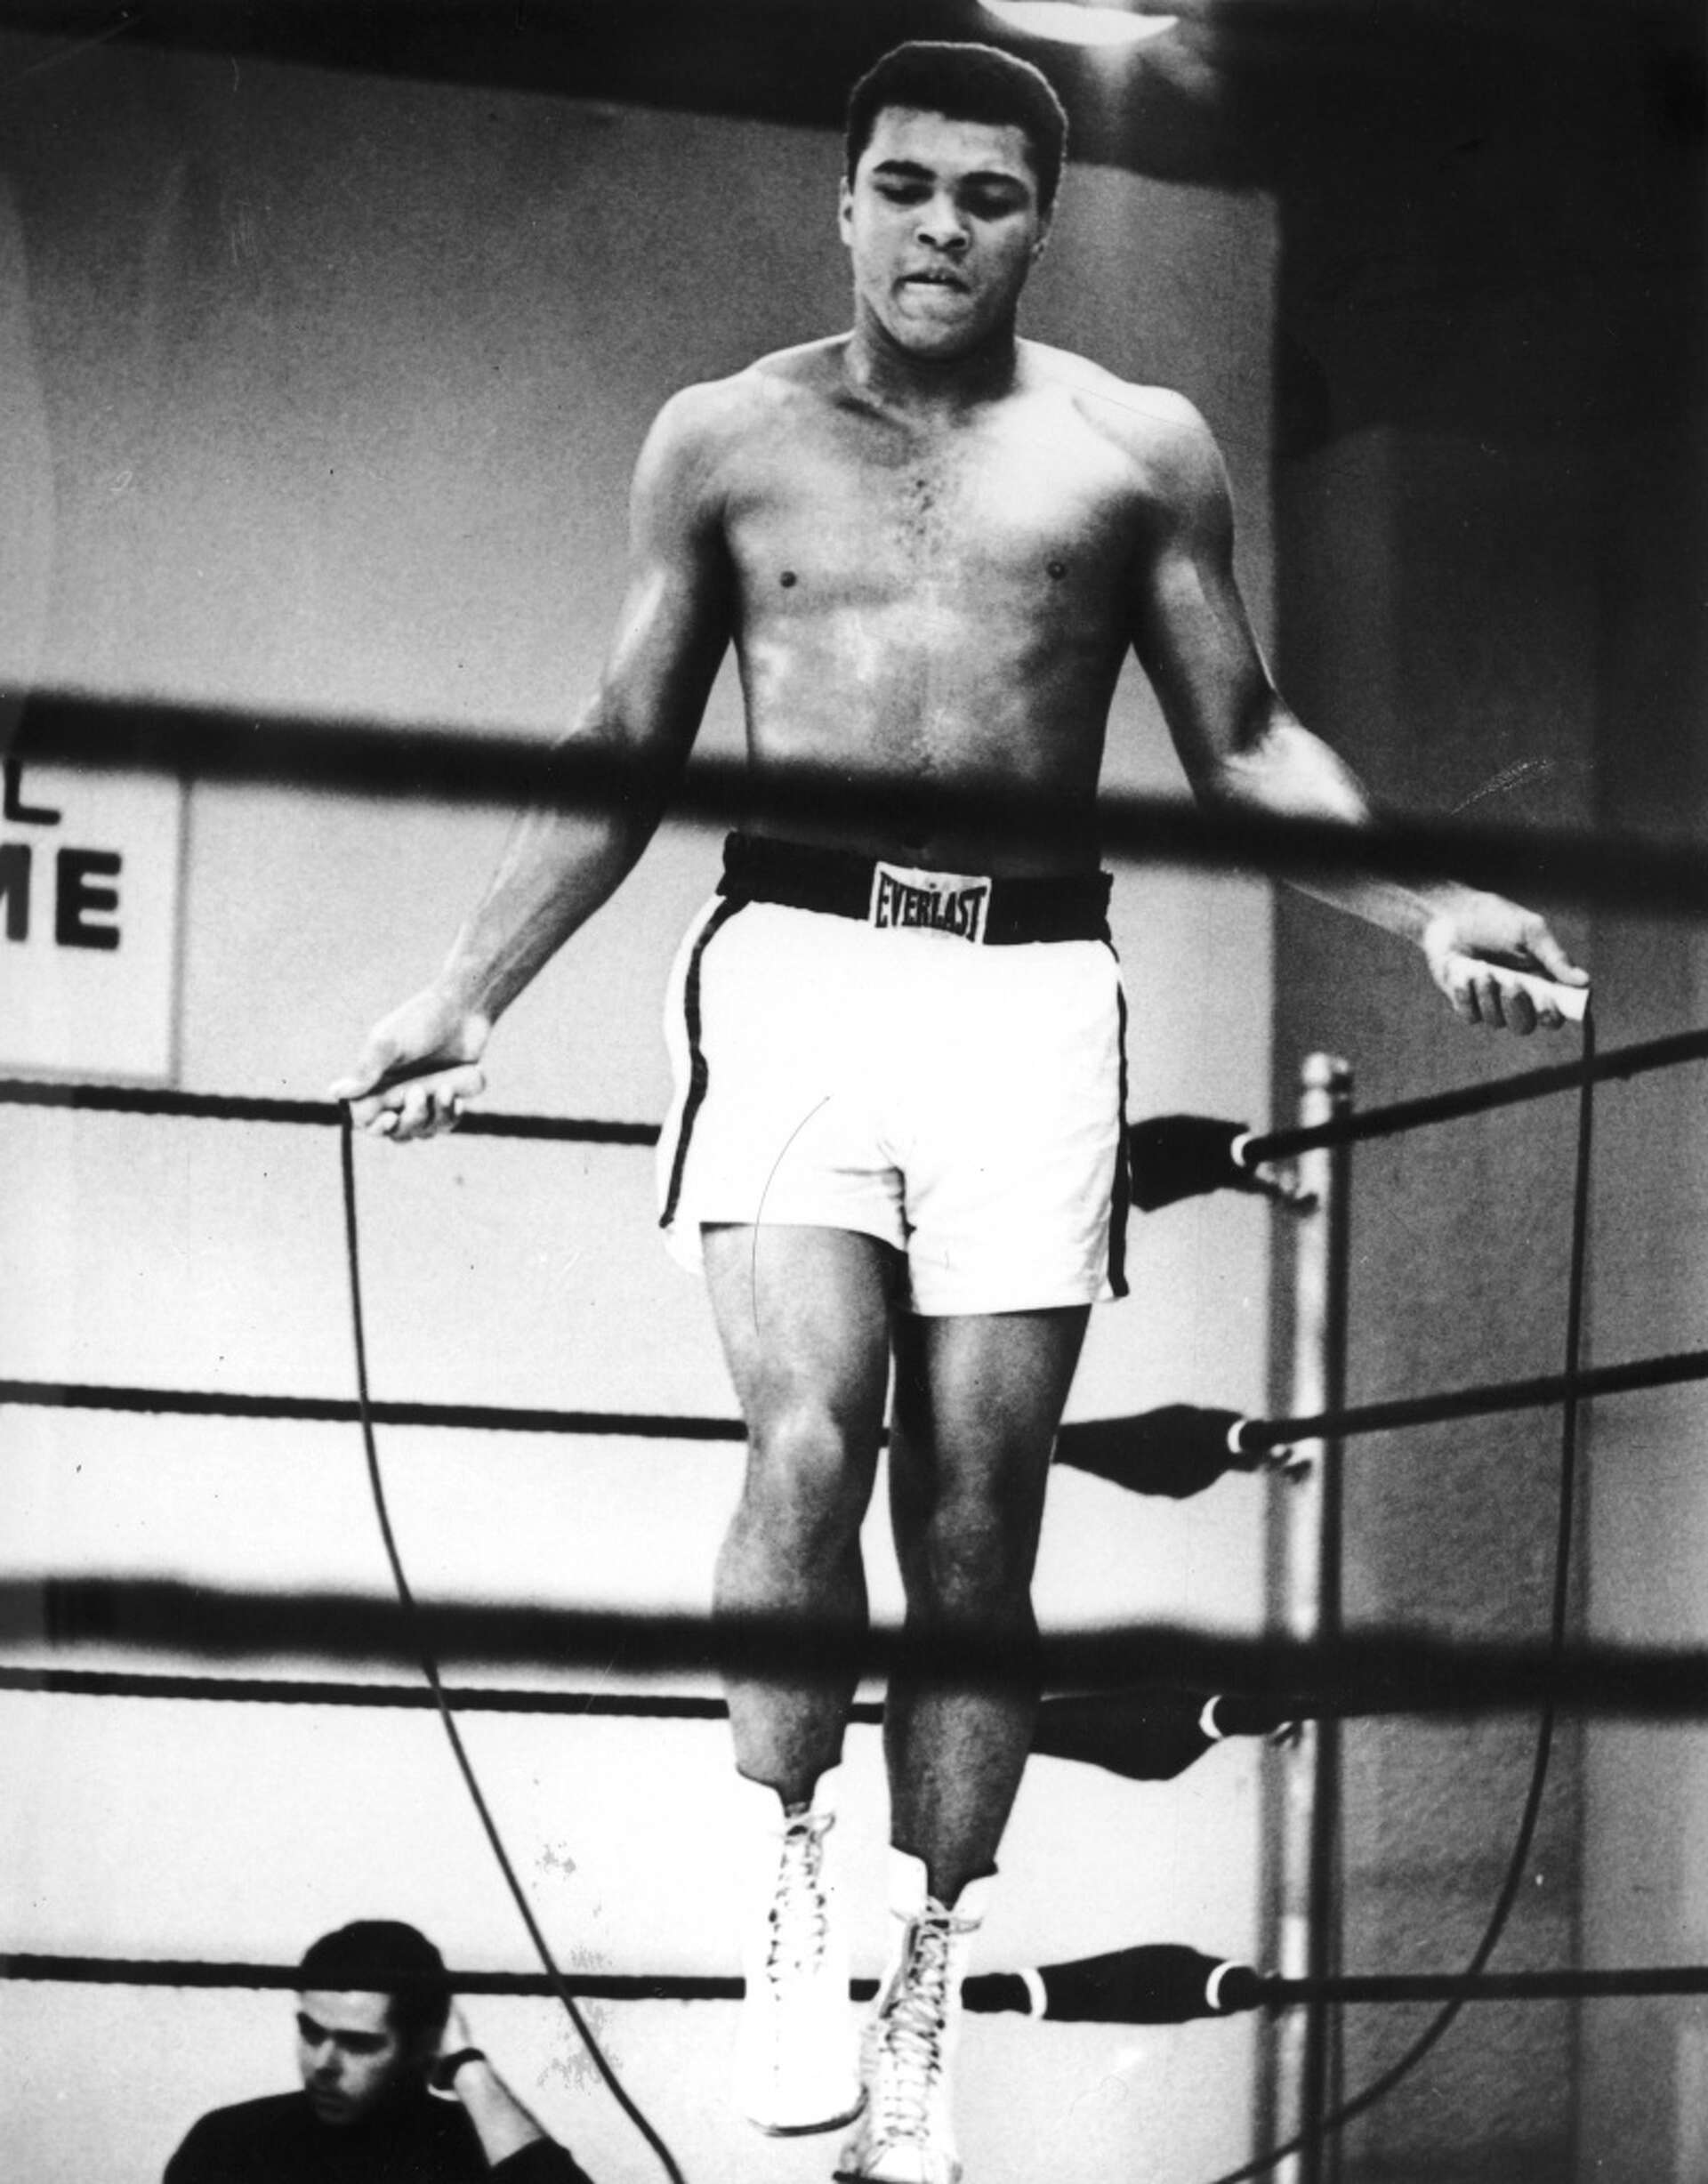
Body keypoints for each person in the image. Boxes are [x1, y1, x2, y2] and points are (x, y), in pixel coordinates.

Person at [332, 40, 1588, 2184]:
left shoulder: (1131, 449)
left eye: (986, 199)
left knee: (981, 1526)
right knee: (806, 1432)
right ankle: (792, 1876)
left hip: (1028, 990)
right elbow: (622, 737)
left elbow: (1244, 738)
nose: (940, 228)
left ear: (1040, 219)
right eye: (903, 187)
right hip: (797, 965)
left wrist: (1428, 894)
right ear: (842, 200)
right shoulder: (721, 438)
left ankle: (924, 1960)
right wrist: (466, 983)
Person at [162, 1921, 592, 2182]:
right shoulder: (229, 2144)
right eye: (312, 2032)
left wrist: (466, 2064)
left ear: (422, 2044)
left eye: (358, 2043)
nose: (323, 2064)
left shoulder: (473, 2148)